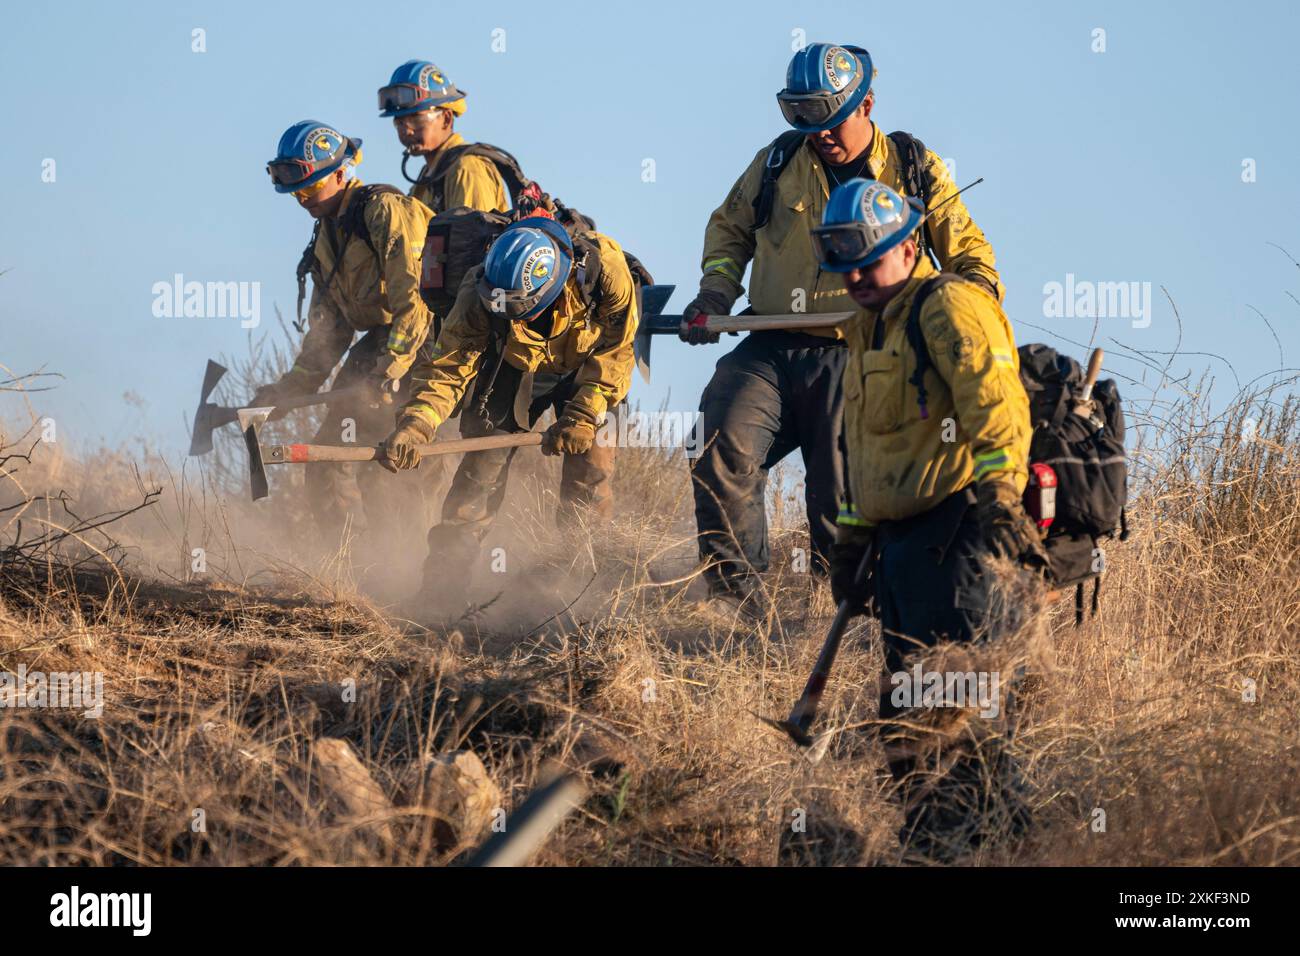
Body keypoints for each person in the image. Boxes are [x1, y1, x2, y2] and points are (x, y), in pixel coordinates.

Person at [681, 42, 1001, 614]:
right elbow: (728, 232)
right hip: (771, 347)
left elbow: (971, 258)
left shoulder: (914, 167)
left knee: (840, 503)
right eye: (802, 116)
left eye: (829, 117)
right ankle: (740, 611)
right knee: (714, 442)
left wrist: (967, 304)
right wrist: (714, 293)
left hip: (862, 354)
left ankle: (844, 619)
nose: (818, 131)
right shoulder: (777, 162)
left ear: (868, 104)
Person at [814, 177, 1044, 857]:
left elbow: (995, 403)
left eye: (869, 259)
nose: (854, 274)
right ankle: (930, 847)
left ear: (910, 245)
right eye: (843, 261)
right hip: (899, 553)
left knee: (960, 717)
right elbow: (861, 442)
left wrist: (1002, 497)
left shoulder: (948, 307)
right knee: (905, 723)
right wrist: (851, 541)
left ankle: (1003, 846)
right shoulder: (864, 326)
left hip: (961, 539)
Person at [377, 216, 639, 604]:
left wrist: (583, 415)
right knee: (480, 470)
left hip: (590, 370)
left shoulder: (606, 274)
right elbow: (448, 368)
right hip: (515, 368)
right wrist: (417, 424)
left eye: (521, 309)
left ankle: (578, 589)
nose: (512, 315)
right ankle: (439, 592)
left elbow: (618, 352)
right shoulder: (477, 292)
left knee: (591, 472)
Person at [255, 120, 435, 544]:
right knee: (325, 461)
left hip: (425, 345)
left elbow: (416, 304)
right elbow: (328, 335)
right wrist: (288, 391)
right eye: (295, 192)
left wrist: (387, 373)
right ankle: (348, 571)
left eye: (309, 188)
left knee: (390, 469)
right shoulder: (326, 233)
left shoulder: (384, 211)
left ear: (341, 172)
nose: (302, 200)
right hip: (378, 347)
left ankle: (406, 572)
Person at [378, 60, 510, 216]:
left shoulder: (467, 169)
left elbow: (475, 236)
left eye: (416, 120)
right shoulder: (426, 179)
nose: (407, 131)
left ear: (446, 119)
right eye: (399, 123)